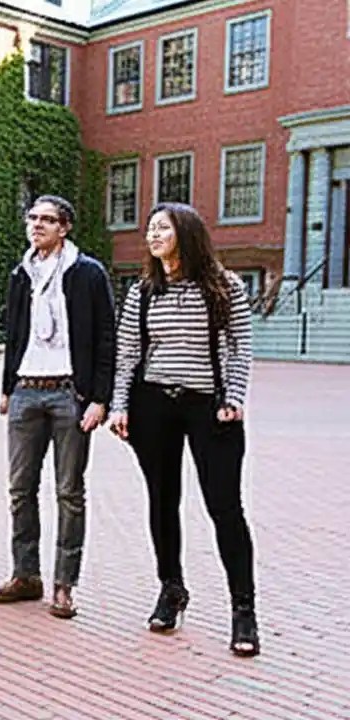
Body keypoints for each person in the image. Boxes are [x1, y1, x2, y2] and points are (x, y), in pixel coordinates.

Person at [109, 202, 260, 658]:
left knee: (224, 507)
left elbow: (240, 346)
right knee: (162, 499)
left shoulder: (224, 286)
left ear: (186, 234)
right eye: (150, 229)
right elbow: (128, 353)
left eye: (163, 228)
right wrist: (120, 405)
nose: (153, 236)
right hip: (154, 404)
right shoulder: (143, 291)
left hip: (209, 407)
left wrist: (233, 398)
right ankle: (171, 590)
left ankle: (243, 609)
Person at [0, 195, 115, 619]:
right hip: (26, 391)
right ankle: (26, 575)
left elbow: (105, 338)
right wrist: (8, 387)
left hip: (68, 395)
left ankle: (64, 585)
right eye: (32, 218)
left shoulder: (88, 273)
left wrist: (99, 398)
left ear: (65, 228)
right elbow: (15, 330)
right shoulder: (21, 273)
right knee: (20, 489)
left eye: (46, 220)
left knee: (69, 492)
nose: (36, 225)